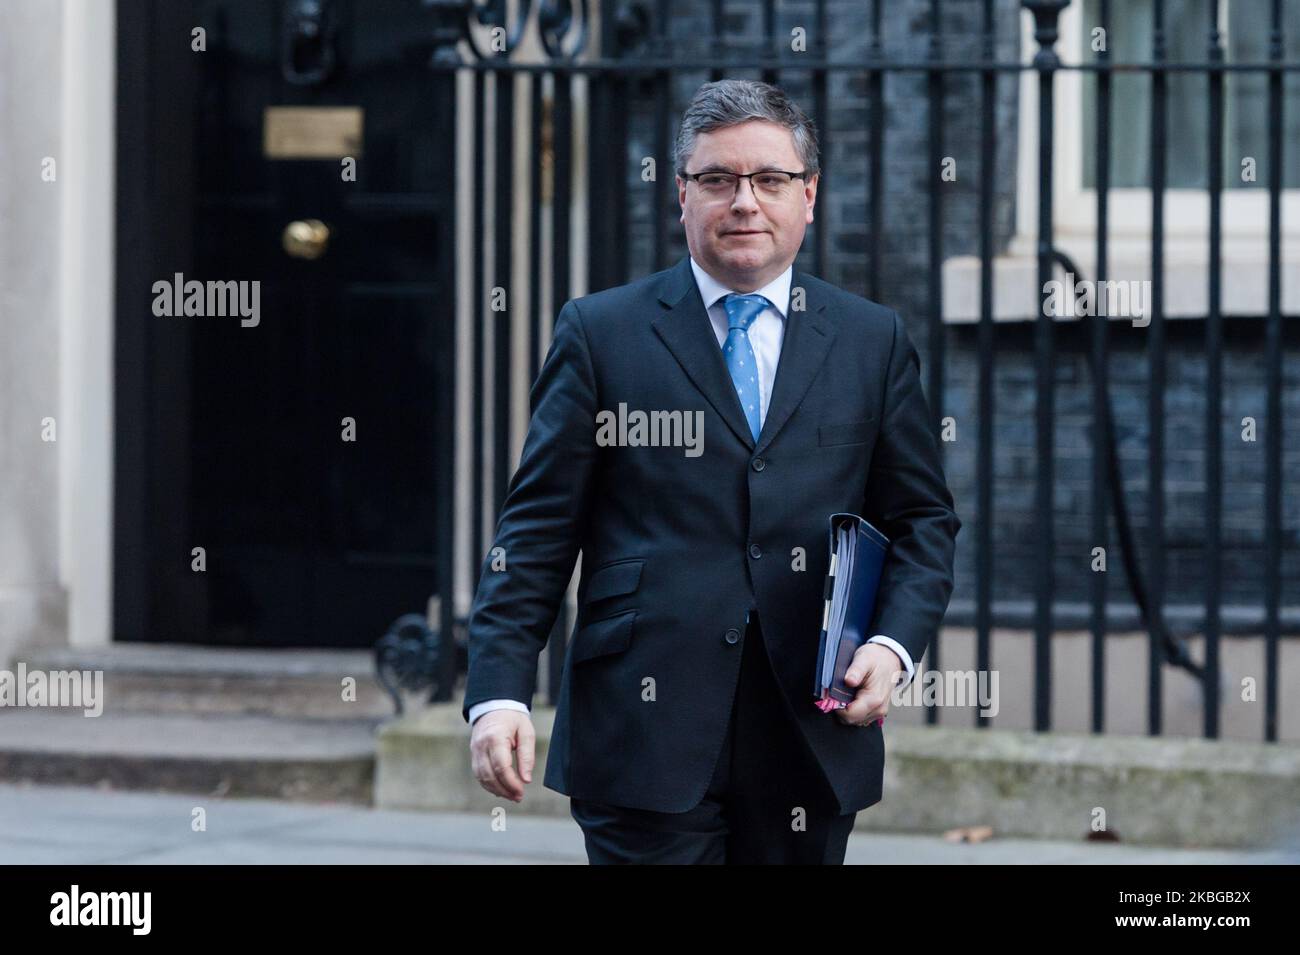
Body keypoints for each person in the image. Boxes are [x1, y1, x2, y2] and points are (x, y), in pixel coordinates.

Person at [463, 78, 960, 864]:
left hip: (809, 729)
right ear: (681, 195)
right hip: (643, 728)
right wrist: (497, 692)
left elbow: (923, 522)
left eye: (770, 180)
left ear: (810, 195)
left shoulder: (872, 340)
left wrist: (893, 645)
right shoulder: (601, 333)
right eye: (718, 179)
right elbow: (535, 529)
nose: (744, 203)